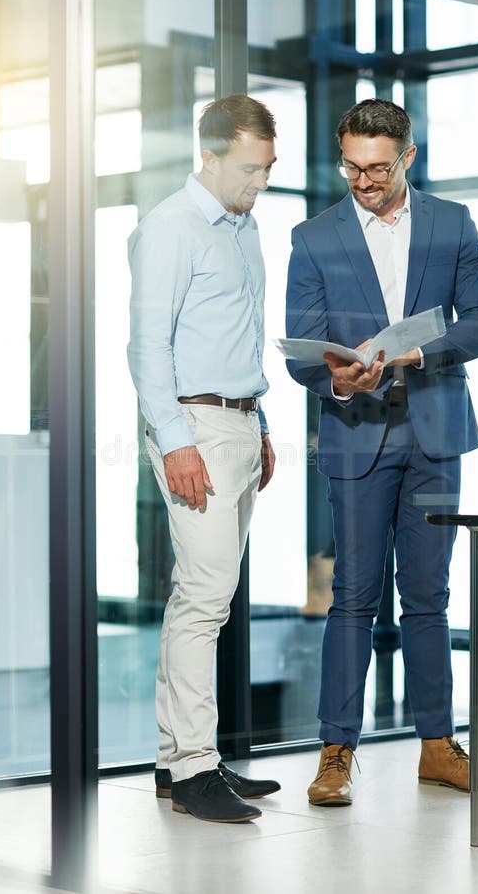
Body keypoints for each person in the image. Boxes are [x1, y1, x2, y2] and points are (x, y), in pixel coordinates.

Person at [285, 98, 478, 806]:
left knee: (429, 598)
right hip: (356, 434)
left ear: (407, 157)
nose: (363, 179)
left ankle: (437, 747)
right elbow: (301, 351)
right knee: (351, 596)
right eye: (351, 165)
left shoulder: (453, 223)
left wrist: (416, 352)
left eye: (377, 167)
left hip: (435, 434)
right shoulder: (312, 236)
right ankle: (335, 753)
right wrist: (334, 375)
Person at [127, 94, 281, 823]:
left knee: (203, 595)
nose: (260, 182)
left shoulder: (243, 229)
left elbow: (238, 339)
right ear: (209, 155)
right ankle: (193, 770)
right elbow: (147, 346)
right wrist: (178, 439)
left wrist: (264, 425)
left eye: (268, 168)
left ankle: (177, 759)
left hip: (240, 425)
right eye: (250, 169)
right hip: (192, 426)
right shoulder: (170, 227)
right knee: (206, 598)